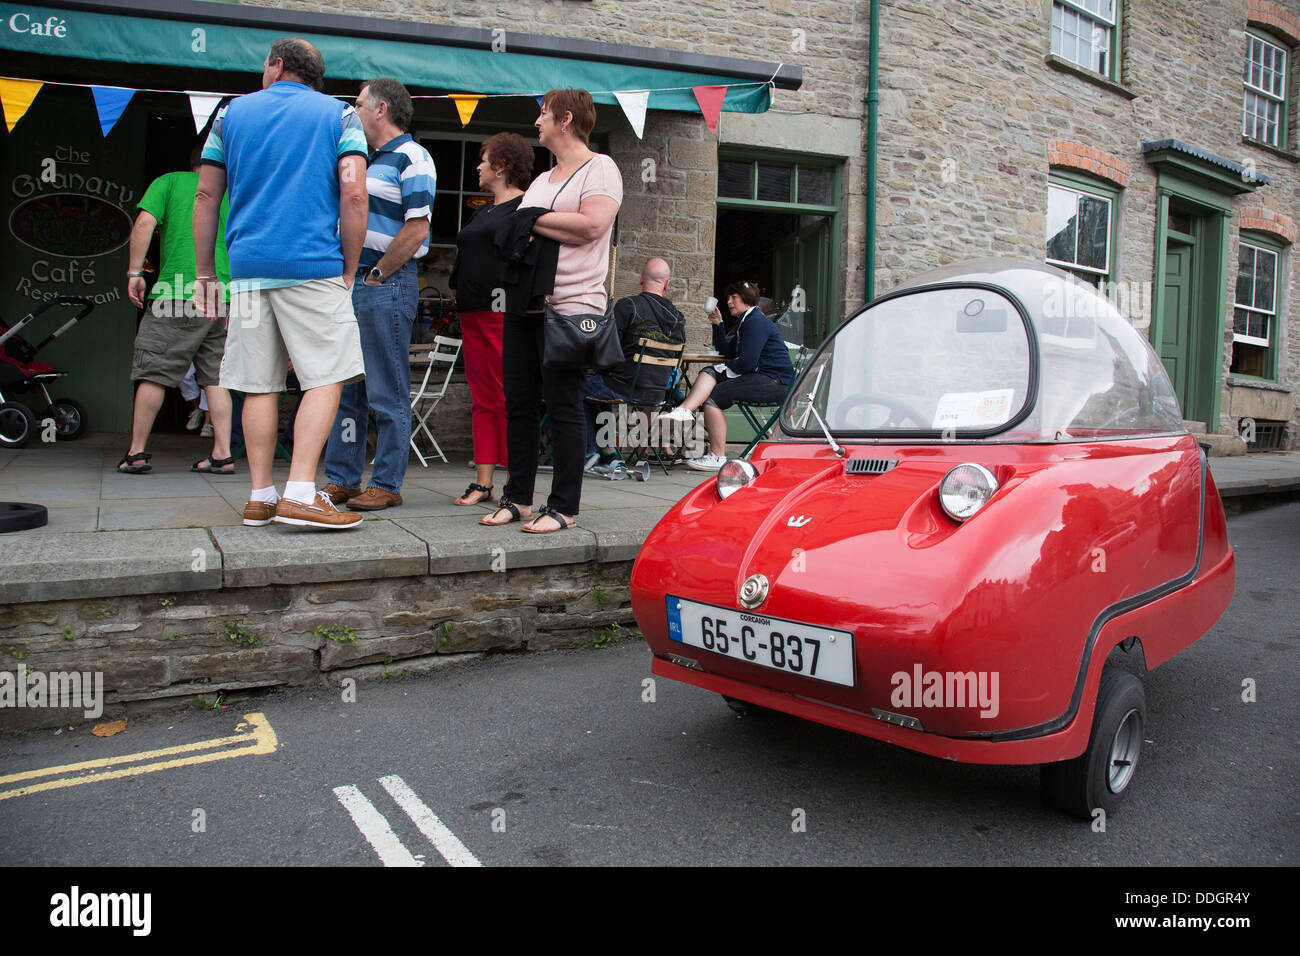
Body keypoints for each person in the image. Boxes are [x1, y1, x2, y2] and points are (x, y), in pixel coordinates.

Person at [193, 37, 369, 530]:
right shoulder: (339, 117)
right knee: (325, 376)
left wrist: (207, 273)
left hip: (248, 271)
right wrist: (349, 269)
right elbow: (354, 196)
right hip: (313, 267)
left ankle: (261, 496)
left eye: (263, 67)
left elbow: (206, 195)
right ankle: (301, 491)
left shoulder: (230, 116)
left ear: (277, 64)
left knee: (258, 385)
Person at [480, 88, 622, 533]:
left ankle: (564, 507)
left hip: (572, 305)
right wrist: (531, 220)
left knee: (563, 405)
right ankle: (518, 497)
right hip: (527, 302)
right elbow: (521, 231)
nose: (536, 121)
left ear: (564, 119)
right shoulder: (543, 179)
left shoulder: (601, 168)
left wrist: (529, 219)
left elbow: (593, 225)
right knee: (518, 402)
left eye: (542, 113)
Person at [320, 78, 436, 512]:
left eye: (358, 104)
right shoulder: (365, 158)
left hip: (384, 283)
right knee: (348, 387)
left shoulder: (413, 157)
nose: (352, 112)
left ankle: (386, 482)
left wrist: (376, 275)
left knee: (386, 389)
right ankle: (344, 479)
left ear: (381, 109)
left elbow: (418, 227)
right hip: (354, 284)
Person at [118, 145, 234, 475]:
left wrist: (135, 272)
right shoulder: (232, 190)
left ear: (191, 160)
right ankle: (222, 453)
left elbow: (144, 224)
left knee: (154, 370)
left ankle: (137, 452)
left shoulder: (169, 182)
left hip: (178, 291)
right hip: (224, 295)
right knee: (217, 376)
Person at [448, 132, 532, 506]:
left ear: (501, 166)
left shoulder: (527, 208)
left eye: (483, 160)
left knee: (505, 397)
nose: (479, 166)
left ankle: (516, 482)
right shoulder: (482, 210)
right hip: (471, 310)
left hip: (502, 313)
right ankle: (483, 482)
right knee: (482, 398)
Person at [663, 280, 794, 470]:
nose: (729, 302)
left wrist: (723, 368)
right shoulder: (746, 322)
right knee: (709, 372)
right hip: (766, 378)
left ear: (746, 299)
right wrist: (718, 325)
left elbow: (747, 363)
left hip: (775, 382)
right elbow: (728, 351)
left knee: (713, 397)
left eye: (734, 297)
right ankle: (684, 410)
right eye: (729, 298)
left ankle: (717, 456)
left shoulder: (755, 322)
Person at [583, 256, 685, 469]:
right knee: (599, 385)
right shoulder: (678, 317)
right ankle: (604, 451)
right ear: (667, 284)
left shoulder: (628, 306)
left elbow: (608, 348)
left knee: (584, 387)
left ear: (641, 279)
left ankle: (595, 451)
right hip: (659, 393)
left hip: (626, 388)